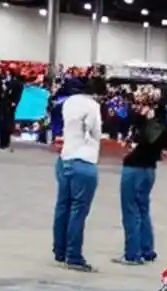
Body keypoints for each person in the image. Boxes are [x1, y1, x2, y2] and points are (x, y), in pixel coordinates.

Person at [52, 78, 102, 272]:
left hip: (65, 158)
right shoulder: (92, 106)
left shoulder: (68, 103)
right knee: (78, 210)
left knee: (62, 206)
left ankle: (60, 250)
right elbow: (94, 131)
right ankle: (74, 256)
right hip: (84, 160)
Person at [116, 87, 167, 266]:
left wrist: (144, 119)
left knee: (131, 210)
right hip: (149, 169)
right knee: (143, 209)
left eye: (139, 103)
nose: (136, 107)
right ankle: (147, 249)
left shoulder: (149, 122)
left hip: (136, 168)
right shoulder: (162, 120)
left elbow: (147, 140)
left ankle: (132, 253)